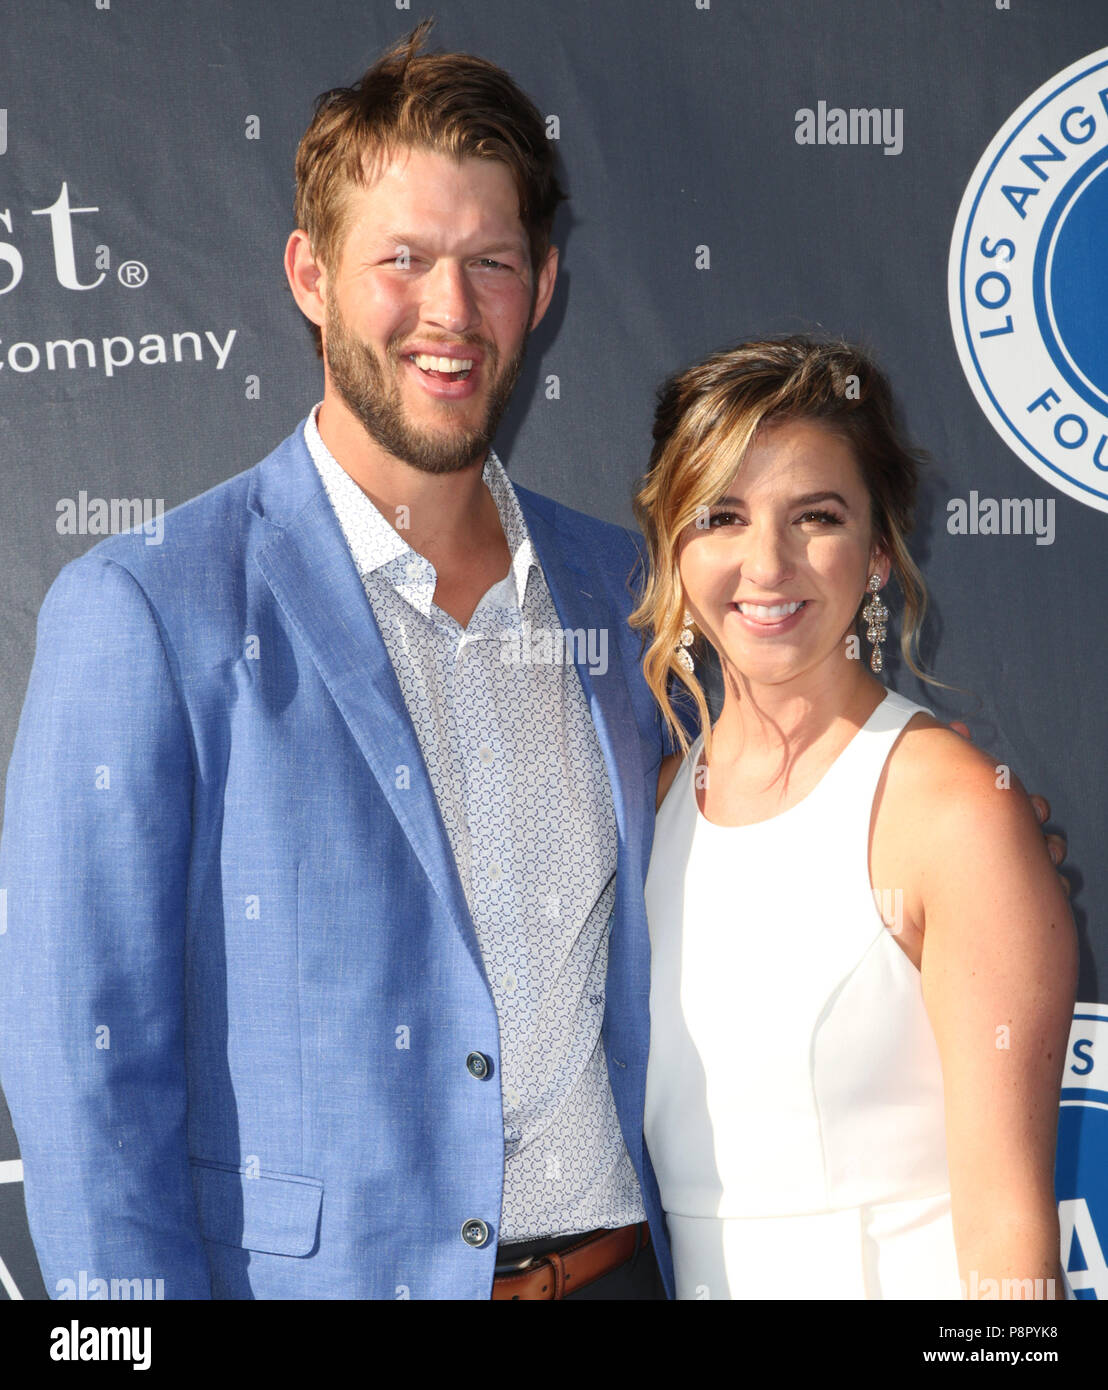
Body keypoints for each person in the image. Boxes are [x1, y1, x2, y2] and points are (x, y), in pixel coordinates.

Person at [0, 27, 1066, 1302]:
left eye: (490, 262)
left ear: (544, 285)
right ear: (310, 275)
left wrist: (979, 846)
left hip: (627, 1277)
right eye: (402, 258)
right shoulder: (146, 608)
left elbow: (799, 815)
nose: (450, 312)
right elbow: (84, 1076)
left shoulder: (631, 593)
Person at [630, 336, 1077, 1299]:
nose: (767, 563)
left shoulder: (952, 813)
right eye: (721, 516)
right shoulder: (655, 804)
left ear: (877, 553)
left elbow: (1010, 1236)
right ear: (674, 546)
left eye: (816, 517)